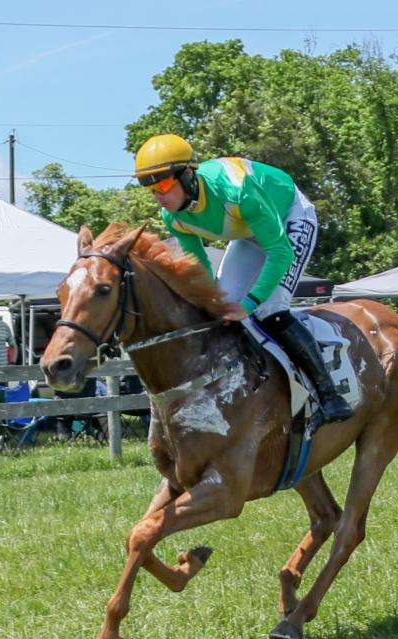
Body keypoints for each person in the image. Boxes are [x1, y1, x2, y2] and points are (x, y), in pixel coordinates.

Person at [133, 133, 352, 427]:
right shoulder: (173, 218)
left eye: (162, 185)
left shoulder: (238, 191)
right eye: (151, 189)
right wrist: (213, 303)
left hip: (289, 217)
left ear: (187, 175)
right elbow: (200, 268)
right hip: (249, 233)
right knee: (224, 306)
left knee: (269, 308)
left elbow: (280, 252)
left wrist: (249, 303)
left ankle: (329, 395)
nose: (158, 195)